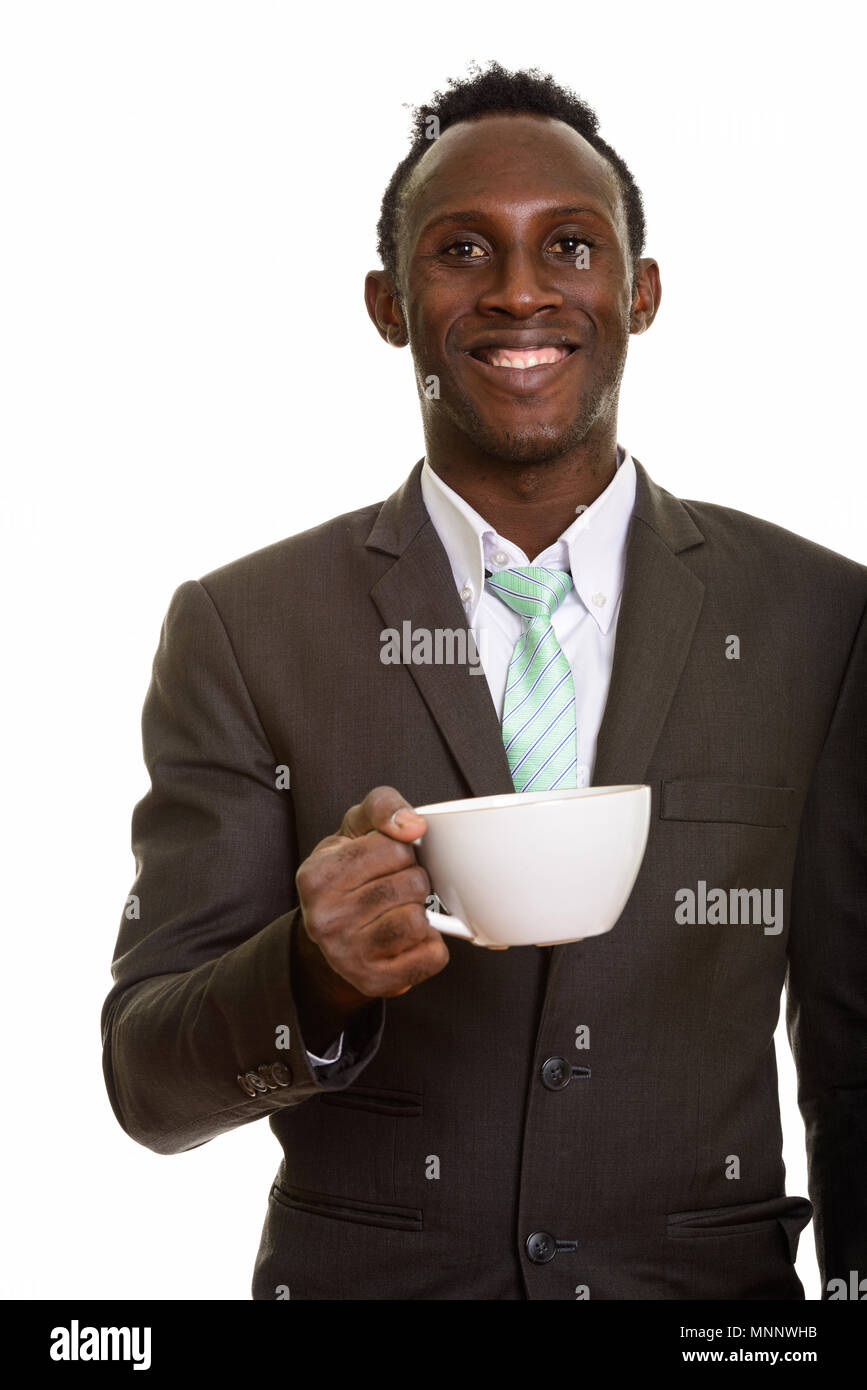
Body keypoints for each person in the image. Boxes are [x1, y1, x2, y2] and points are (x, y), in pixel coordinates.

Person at [101, 61, 867, 1300]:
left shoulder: (821, 619)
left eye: (570, 246)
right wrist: (312, 969)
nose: (520, 292)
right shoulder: (243, 629)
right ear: (390, 304)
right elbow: (148, 1080)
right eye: (463, 250)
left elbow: (853, 1049)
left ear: (641, 291)